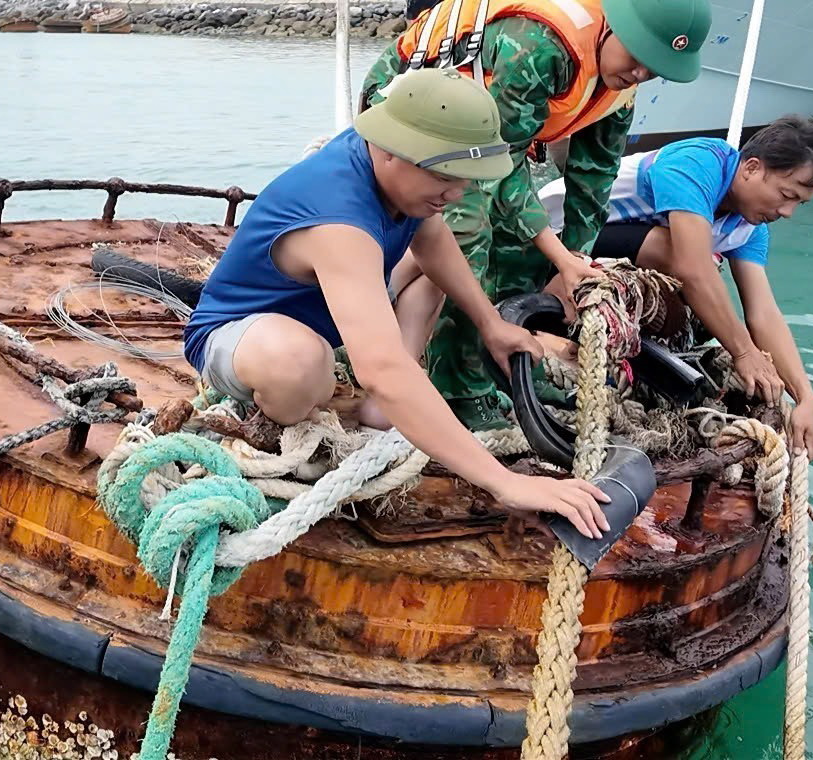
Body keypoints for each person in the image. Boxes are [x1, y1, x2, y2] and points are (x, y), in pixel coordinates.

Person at [182, 68, 613, 538]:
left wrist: (491, 324)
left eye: (466, 178)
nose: (456, 193)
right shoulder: (339, 221)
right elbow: (380, 368)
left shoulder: (391, 173)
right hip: (244, 335)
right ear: (390, 152)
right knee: (301, 363)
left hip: (329, 310)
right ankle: (304, 405)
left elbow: (432, 242)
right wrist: (504, 482)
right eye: (444, 176)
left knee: (434, 277)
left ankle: (386, 407)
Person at [354, 0, 712, 429]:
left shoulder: (622, 82)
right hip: (412, 115)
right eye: (638, 56)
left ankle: (502, 364)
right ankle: (459, 388)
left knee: (526, 247)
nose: (641, 73)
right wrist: (558, 253)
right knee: (468, 232)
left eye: (655, 67)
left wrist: (575, 263)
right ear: (614, 26)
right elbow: (498, 167)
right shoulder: (540, 46)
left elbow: (594, 175)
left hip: (482, 138)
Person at [575, 115, 813, 454]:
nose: (788, 211)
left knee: (699, 278)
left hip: (628, 259)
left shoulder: (749, 226)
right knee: (693, 256)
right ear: (751, 168)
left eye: (799, 202)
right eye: (786, 194)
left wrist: (804, 396)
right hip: (567, 237)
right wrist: (743, 351)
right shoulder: (698, 162)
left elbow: (763, 313)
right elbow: (691, 268)